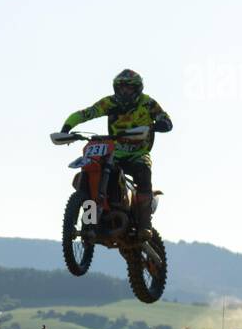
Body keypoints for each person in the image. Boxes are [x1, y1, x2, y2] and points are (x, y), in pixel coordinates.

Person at [61, 69, 173, 239]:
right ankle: (91, 221)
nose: (124, 91)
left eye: (128, 88)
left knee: (143, 172)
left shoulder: (147, 103)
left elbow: (167, 121)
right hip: (114, 152)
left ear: (137, 89)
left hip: (138, 153)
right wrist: (66, 129)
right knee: (91, 173)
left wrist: (156, 125)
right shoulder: (110, 103)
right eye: (121, 88)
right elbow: (85, 113)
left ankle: (144, 225)